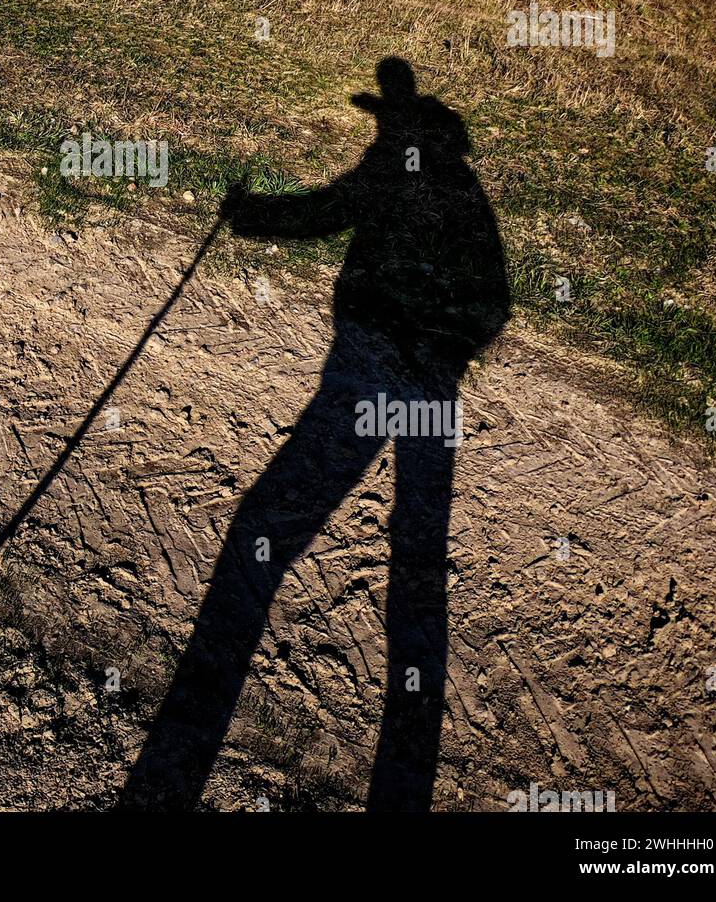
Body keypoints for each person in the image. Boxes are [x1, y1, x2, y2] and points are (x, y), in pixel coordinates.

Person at [120, 57, 509, 811]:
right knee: (412, 547)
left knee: (270, 525)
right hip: (412, 374)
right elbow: (492, 300)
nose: (382, 132)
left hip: (372, 368)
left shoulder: (402, 173)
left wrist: (247, 215)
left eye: (390, 123)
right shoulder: (450, 185)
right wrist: (448, 350)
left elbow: (323, 212)